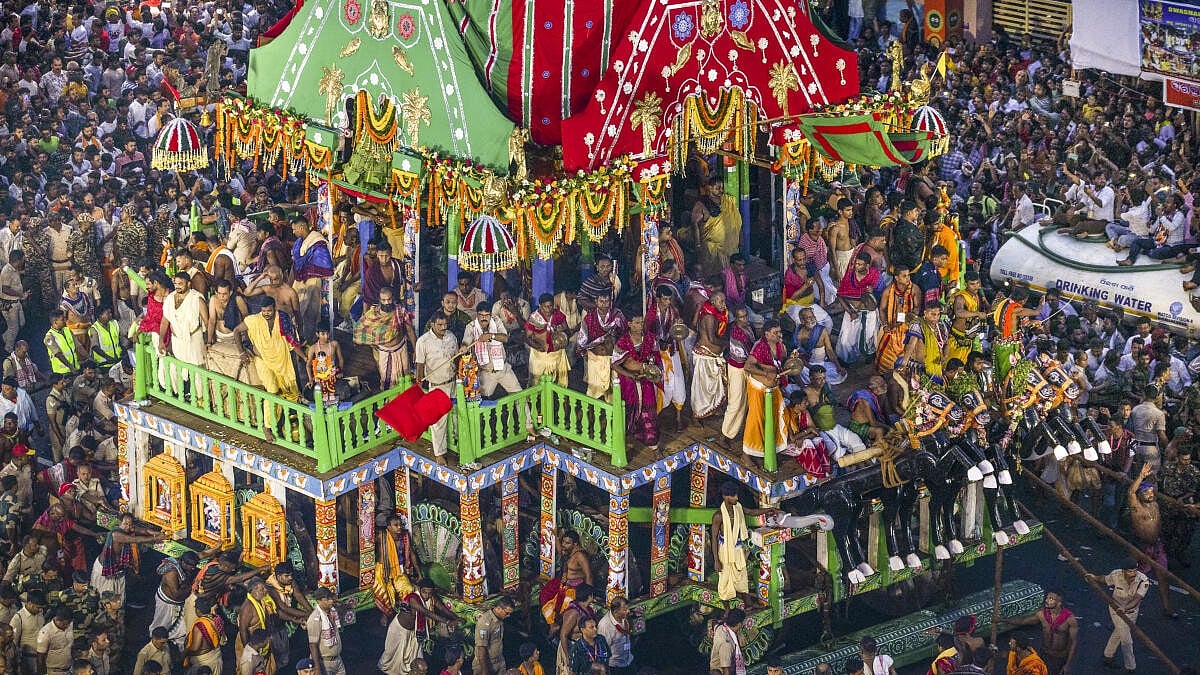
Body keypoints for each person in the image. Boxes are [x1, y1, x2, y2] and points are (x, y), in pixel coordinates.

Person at [237, 297, 307, 441]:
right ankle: (267, 427)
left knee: (290, 393)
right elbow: (236, 331)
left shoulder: (283, 319)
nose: (266, 313)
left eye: (269, 310)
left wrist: (305, 358)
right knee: (273, 390)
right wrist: (241, 352)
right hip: (263, 361)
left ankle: (280, 425)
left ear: (274, 308)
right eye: (264, 311)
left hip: (282, 362)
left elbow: (291, 342)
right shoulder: (254, 320)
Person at [415, 313, 467, 464]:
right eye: (440, 325)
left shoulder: (451, 336)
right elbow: (420, 364)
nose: (444, 328)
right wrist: (419, 382)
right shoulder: (423, 341)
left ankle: (460, 444)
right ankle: (439, 453)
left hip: (453, 382)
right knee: (438, 421)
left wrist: (462, 355)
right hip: (437, 386)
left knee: (458, 415)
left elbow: (456, 358)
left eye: (445, 325)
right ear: (432, 324)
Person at [711, 482, 774, 603]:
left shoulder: (738, 507)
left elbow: (752, 512)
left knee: (742, 577)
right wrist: (716, 560)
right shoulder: (718, 516)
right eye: (733, 496)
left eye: (736, 495)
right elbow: (714, 538)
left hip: (738, 548)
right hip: (725, 551)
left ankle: (748, 605)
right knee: (725, 580)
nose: (736, 498)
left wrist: (770, 509)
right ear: (725, 497)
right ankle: (727, 609)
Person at [612, 315, 663, 455]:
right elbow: (615, 364)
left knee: (649, 411)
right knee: (629, 411)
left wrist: (651, 365)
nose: (641, 325)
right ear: (630, 324)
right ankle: (626, 438)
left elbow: (656, 357)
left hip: (646, 381)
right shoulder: (622, 342)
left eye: (642, 322)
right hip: (629, 383)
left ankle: (653, 445)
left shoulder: (650, 338)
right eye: (637, 322)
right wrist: (630, 375)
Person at [1083, 564, 1148, 673]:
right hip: (1116, 610)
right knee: (1126, 640)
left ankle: (1107, 656)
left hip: (1132, 612)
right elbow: (1105, 579)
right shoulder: (1116, 574)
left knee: (1118, 633)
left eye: (1135, 571)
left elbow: (1137, 599)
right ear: (1123, 571)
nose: (1133, 574)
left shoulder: (1143, 580)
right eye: (1130, 571)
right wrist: (1094, 577)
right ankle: (1131, 667)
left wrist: (1125, 608)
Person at [1011, 591, 1077, 675]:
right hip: (1044, 654)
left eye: (1051, 599)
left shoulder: (1070, 619)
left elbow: (1073, 643)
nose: (1046, 600)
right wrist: (1003, 620)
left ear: (1059, 603)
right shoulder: (1042, 615)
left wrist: (1067, 665)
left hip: (1059, 658)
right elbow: (1023, 621)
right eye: (1047, 598)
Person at [290, 216, 333, 342]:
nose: (293, 232)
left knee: (310, 311)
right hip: (299, 281)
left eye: (294, 229)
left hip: (312, 281)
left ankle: (309, 339)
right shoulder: (298, 242)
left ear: (301, 227)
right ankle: (297, 338)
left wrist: (306, 269)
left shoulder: (317, 242)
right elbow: (296, 263)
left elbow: (325, 264)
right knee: (296, 308)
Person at [539, 530, 592, 630]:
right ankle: (552, 625)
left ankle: (557, 627)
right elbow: (560, 550)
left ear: (575, 544)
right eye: (563, 541)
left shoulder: (580, 556)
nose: (564, 545)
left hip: (575, 587)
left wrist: (588, 594)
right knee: (545, 594)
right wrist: (556, 536)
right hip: (564, 584)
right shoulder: (569, 550)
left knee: (563, 606)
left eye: (567, 543)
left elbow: (588, 575)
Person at [577, 294, 626, 402]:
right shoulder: (590, 317)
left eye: (606, 301)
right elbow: (582, 341)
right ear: (596, 301)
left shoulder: (617, 315)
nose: (604, 304)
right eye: (601, 301)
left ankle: (613, 410)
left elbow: (625, 335)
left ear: (610, 301)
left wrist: (615, 345)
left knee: (614, 389)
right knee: (594, 390)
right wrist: (591, 349)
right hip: (595, 358)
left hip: (613, 358)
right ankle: (592, 410)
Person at [692, 292, 729, 422]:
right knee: (703, 389)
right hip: (706, 356)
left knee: (708, 387)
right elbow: (712, 340)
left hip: (711, 355)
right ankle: (699, 413)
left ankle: (711, 410)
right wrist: (728, 343)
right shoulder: (710, 318)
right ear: (713, 302)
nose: (724, 305)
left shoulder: (710, 314)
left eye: (724, 301)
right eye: (721, 301)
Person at [150, 550, 199, 647]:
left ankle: (173, 643)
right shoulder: (171, 572)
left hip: (178, 604)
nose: (193, 568)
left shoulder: (188, 561)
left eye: (194, 565)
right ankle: (154, 643)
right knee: (161, 624)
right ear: (183, 563)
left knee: (179, 627)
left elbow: (202, 554)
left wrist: (216, 548)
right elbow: (176, 594)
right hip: (167, 604)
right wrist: (192, 586)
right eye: (191, 566)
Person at [374, 514, 417, 620]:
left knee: (408, 588)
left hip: (399, 569)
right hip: (383, 569)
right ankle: (385, 614)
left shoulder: (404, 536)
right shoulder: (382, 535)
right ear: (388, 527)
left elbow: (411, 553)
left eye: (400, 524)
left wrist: (418, 572)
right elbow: (368, 535)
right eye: (396, 525)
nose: (399, 527)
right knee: (384, 591)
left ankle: (404, 611)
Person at [525, 294, 570, 387]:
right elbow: (528, 337)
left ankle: (560, 393)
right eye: (545, 306)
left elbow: (567, 331)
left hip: (556, 352)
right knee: (537, 380)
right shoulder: (534, 318)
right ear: (540, 306)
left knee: (559, 379)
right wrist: (538, 347)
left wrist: (562, 332)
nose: (549, 309)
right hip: (540, 354)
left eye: (551, 306)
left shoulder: (558, 314)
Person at [305, 587, 345, 675]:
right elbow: (313, 645)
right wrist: (317, 668)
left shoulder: (333, 612)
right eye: (327, 599)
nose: (331, 601)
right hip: (324, 663)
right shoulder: (315, 619)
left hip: (338, 660)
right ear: (318, 601)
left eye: (331, 598)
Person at [182, 597, 225, 675]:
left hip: (203, 663)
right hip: (216, 658)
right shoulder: (217, 619)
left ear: (197, 610)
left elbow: (195, 647)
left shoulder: (200, 625)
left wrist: (185, 652)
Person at [472, 597, 514, 675]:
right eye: (507, 613)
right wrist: (485, 672)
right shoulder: (485, 623)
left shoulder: (500, 618)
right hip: (485, 664)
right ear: (499, 608)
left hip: (499, 661)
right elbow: (481, 649)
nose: (508, 616)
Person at [596, 597, 633, 675]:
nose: (628, 611)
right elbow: (602, 651)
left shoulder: (624, 616)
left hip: (628, 660)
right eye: (625, 610)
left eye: (628, 609)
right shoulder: (605, 626)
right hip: (615, 667)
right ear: (616, 611)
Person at [35, 607, 73, 675]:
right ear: (58, 620)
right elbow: (40, 657)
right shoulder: (46, 632)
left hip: (69, 670)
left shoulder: (69, 625)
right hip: (53, 672)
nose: (68, 626)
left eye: (69, 623)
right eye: (65, 624)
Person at [709, 609, 746, 675]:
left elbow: (714, 623)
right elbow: (726, 669)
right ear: (739, 624)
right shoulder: (726, 644)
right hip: (720, 671)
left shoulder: (720, 627)